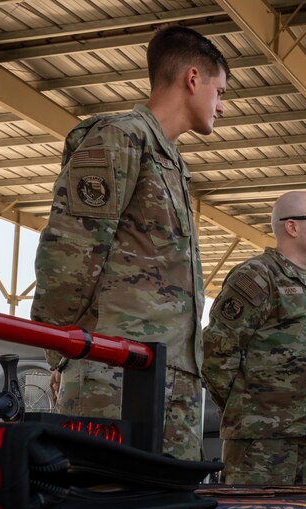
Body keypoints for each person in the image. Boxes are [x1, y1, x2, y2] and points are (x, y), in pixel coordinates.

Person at [31, 25, 228, 461]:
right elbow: (70, 254)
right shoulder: (119, 138)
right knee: (107, 492)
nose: (221, 106)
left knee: (168, 500)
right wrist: (62, 349)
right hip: (114, 369)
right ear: (193, 79)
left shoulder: (172, 161)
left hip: (171, 374)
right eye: (219, 92)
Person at [201, 191, 306, 485]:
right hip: (262, 445)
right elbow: (217, 351)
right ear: (292, 227)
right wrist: (247, 409)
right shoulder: (257, 276)